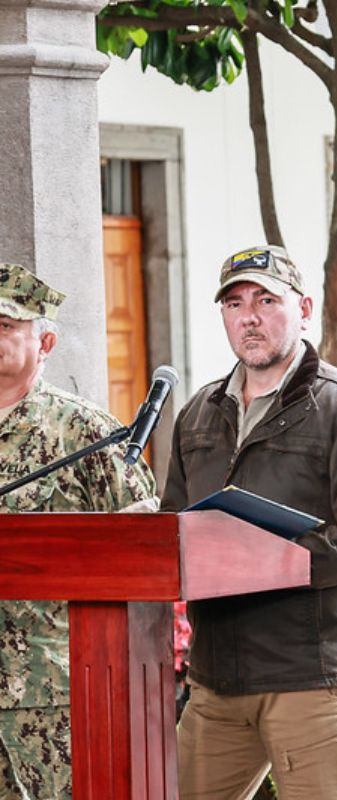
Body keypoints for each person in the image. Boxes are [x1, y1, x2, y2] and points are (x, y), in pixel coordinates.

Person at [159, 245, 337, 800]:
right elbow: (172, 524)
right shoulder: (198, 412)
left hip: (310, 678)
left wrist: (261, 561)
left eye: (267, 300)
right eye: (235, 303)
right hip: (217, 679)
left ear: (305, 308)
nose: (249, 316)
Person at [0, 262, 157, 798]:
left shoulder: (85, 431)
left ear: (44, 341)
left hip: (51, 691)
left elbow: (144, 543)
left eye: (4, 326)